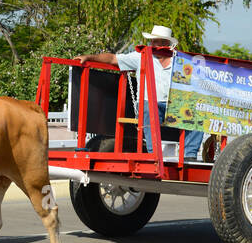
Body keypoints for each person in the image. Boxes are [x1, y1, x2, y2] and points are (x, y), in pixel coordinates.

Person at [79, 25, 205, 160]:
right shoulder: (140, 56)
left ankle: (189, 156)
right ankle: (154, 154)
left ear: (167, 44)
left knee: (197, 112)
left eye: (160, 42)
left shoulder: (179, 60)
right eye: (154, 41)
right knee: (150, 108)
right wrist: (88, 57)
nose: (156, 44)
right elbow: (113, 59)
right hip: (149, 104)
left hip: (173, 105)